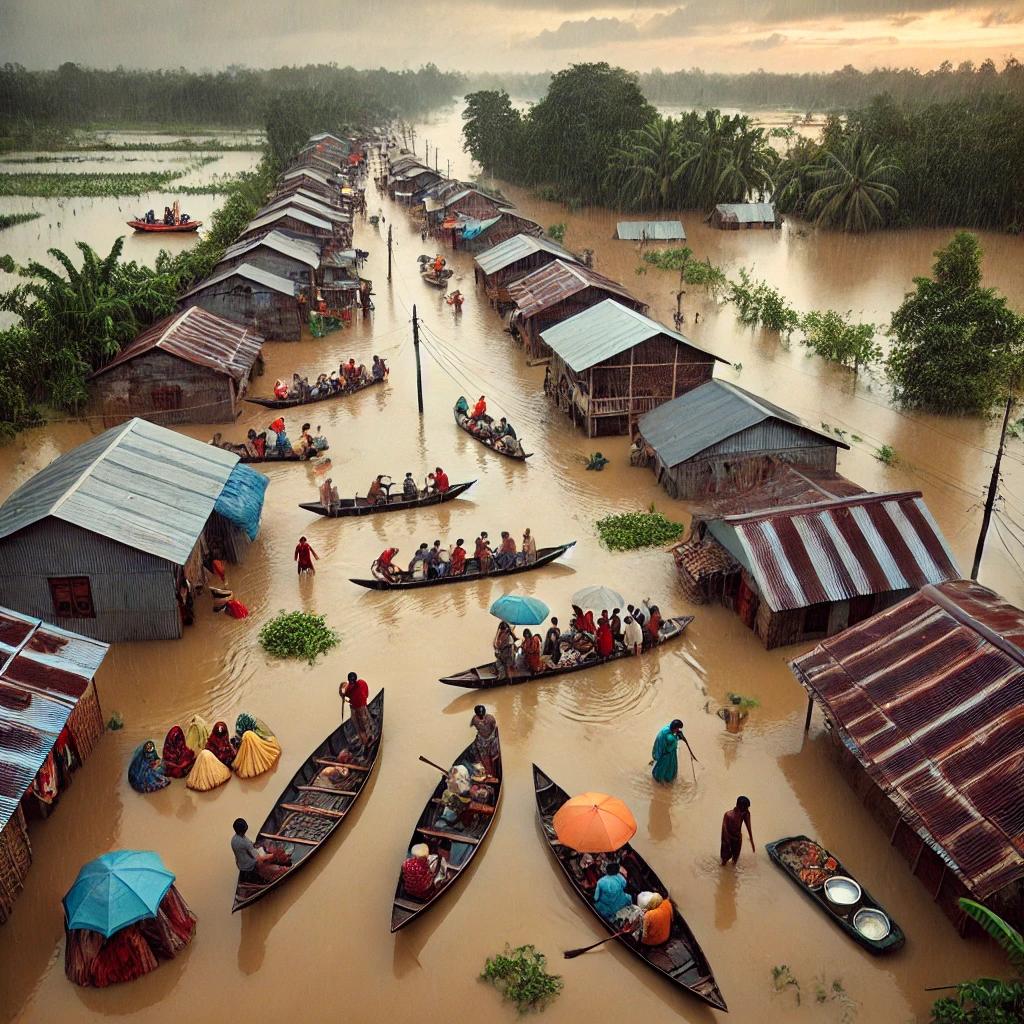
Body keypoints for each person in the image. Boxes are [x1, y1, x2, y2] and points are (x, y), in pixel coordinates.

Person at [651, 719, 697, 784]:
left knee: (668, 769)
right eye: (677, 728)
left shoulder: (669, 728)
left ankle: (666, 780)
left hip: (669, 753)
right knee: (664, 769)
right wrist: (677, 738)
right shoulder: (669, 736)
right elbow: (671, 744)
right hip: (666, 754)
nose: (677, 730)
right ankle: (661, 782)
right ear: (674, 727)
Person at [341, 672, 373, 746]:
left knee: (365, 720)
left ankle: (370, 736)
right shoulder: (349, 687)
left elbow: (365, 692)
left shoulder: (360, 683)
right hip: (354, 707)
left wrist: (364, 700)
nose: (352, 682)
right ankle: (362, 737)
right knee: (356, 722)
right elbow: (347, 695)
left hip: (361, 705)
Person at [721, 797, 755, 865]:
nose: (747, 810)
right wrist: (727, 844)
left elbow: (748, 826)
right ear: (741, 807)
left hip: (737, 838)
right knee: (724, 860)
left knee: (735, 860)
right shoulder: (728, 815)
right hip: (727, 839)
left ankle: (732, 869)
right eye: (746, 808)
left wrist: (751, 839)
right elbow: (724, 832)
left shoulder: (745, 814)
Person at [470, 705, 499, 774]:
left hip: (490, 737)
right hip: (483, 737)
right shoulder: (476, 719)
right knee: (477, 749)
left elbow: (494, 727)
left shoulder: (489, 719)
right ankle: (484, 763)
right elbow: (494, 726)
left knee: (493, 752)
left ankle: (492, 761)